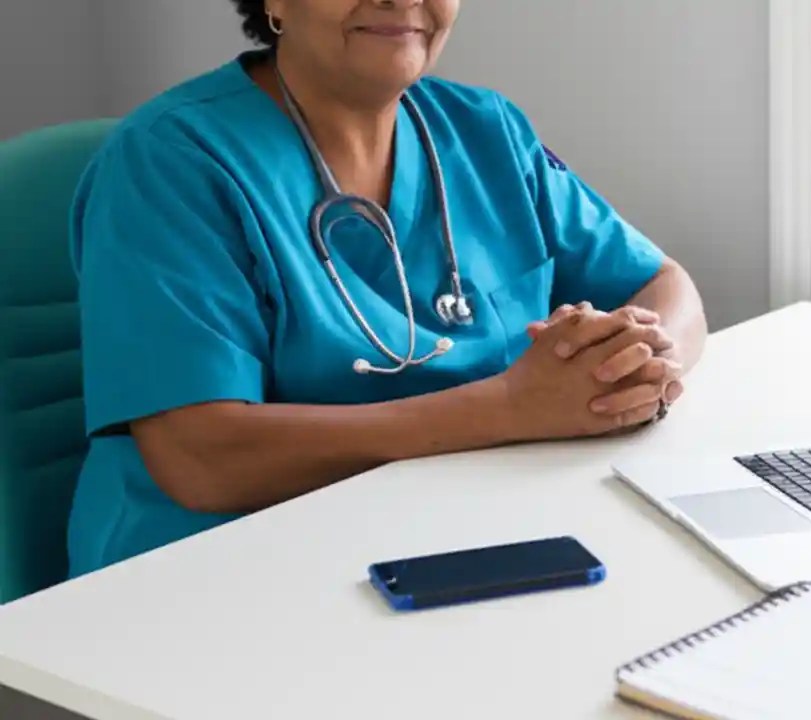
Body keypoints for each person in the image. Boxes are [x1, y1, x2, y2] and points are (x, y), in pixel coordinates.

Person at [65, 0, 707, 577]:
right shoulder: (170, 163)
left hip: (458, 530)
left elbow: (661, 284)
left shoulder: (486, 130)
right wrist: (513, 406)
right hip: (216, 572)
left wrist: (643, 362)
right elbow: (201, 458)